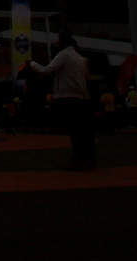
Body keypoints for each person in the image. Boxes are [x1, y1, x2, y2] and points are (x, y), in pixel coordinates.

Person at [27, 31, 94, 170]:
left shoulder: (64, 55)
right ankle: (86, 159)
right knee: (81, 131)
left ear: (62, 42)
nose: (55, 43)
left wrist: (32, 64)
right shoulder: (80, 58)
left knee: (75, 131)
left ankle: (78, 160)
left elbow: (47, 70)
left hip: (67, 97)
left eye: (57, 41)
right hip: (81, 98)